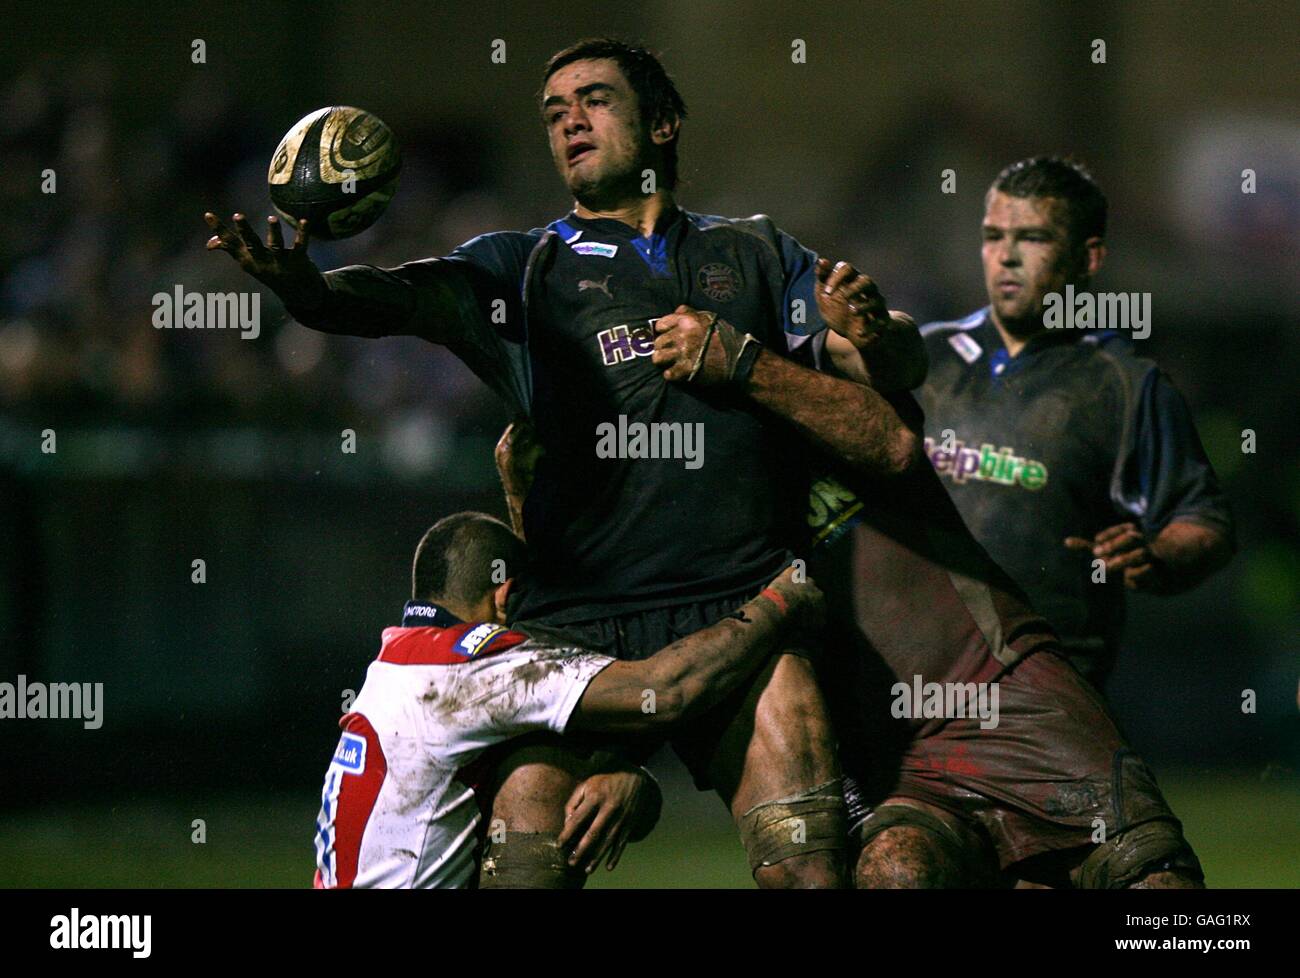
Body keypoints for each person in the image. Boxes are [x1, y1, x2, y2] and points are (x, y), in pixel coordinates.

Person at [209, 37, 925, 886]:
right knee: (525, 874)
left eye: (593, 100)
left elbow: (891, 367)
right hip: (574, 634)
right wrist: (308, 291)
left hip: (738, 601)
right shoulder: (519, 269)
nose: (569, 122)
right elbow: (395, 299)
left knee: (810, 874)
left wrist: (880, 331)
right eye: (554, 113)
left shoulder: (756, 254)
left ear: (662, 123)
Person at [494, 259, 1206, 889]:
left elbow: (895, 445)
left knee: (1153, 886)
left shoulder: (819, 393)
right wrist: (630, 757)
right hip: (895, 760)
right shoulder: (679, 508)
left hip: (1000, 689)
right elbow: (658, 638)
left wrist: (750, 363)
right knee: (896, 869)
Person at [312, 511, 822, 888]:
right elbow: (663, 690)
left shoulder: (392, 666)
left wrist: (629, 776)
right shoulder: (475, 670)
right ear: (505, 597)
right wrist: (780, 601)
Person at [916, 157, 1233, 687]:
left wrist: (1155, 554)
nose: (1006, 258)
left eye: (1033, 238)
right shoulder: (920, 356)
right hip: (906, 675)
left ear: (1089, 257)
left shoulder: (1126, 386)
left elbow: (1205, 524)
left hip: (1044, 688)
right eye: (993, 236)